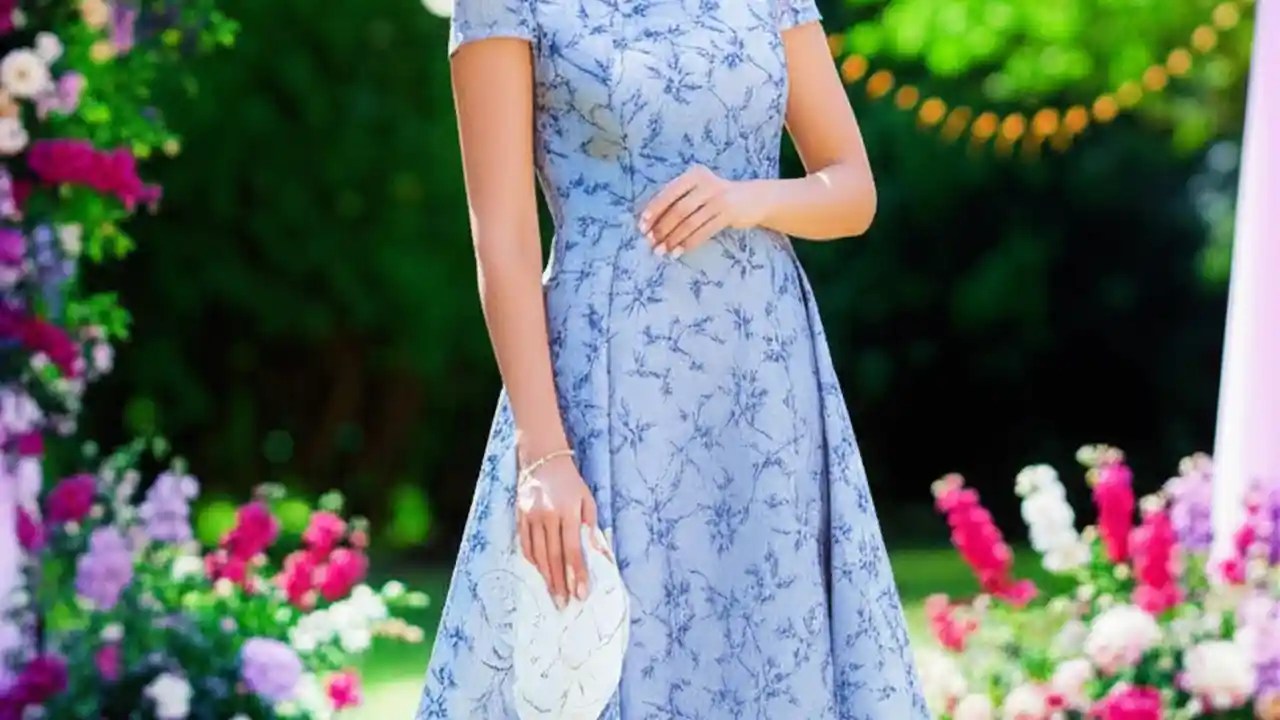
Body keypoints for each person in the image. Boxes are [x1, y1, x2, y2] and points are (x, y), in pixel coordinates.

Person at [416, 0, 928, 716]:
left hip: (764, 372)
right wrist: (543, 457)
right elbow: (501, 238)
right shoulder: (503, 4)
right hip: (608, 377)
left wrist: (746, 199)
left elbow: (851, 191)